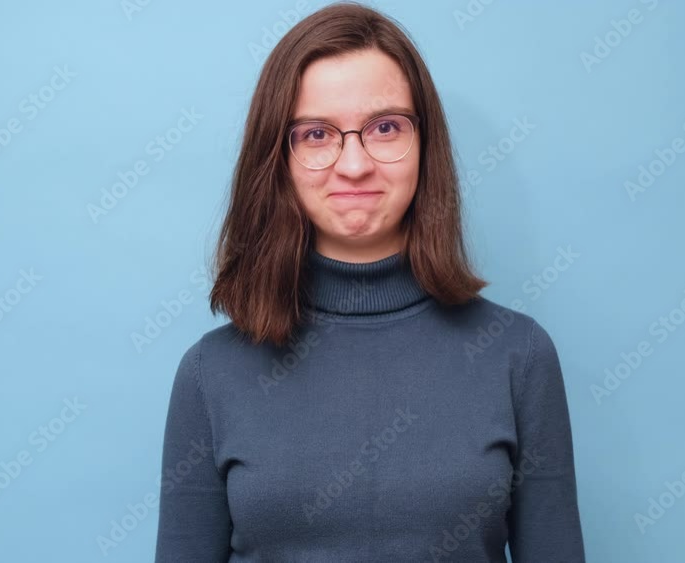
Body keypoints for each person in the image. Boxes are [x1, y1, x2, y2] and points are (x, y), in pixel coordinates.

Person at [154, 2, 585, 561]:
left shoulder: (518, 357)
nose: (353, 164)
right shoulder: (209, 375)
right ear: (277, 157)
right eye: (316, 134)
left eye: (385, 128)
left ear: (425, 144)